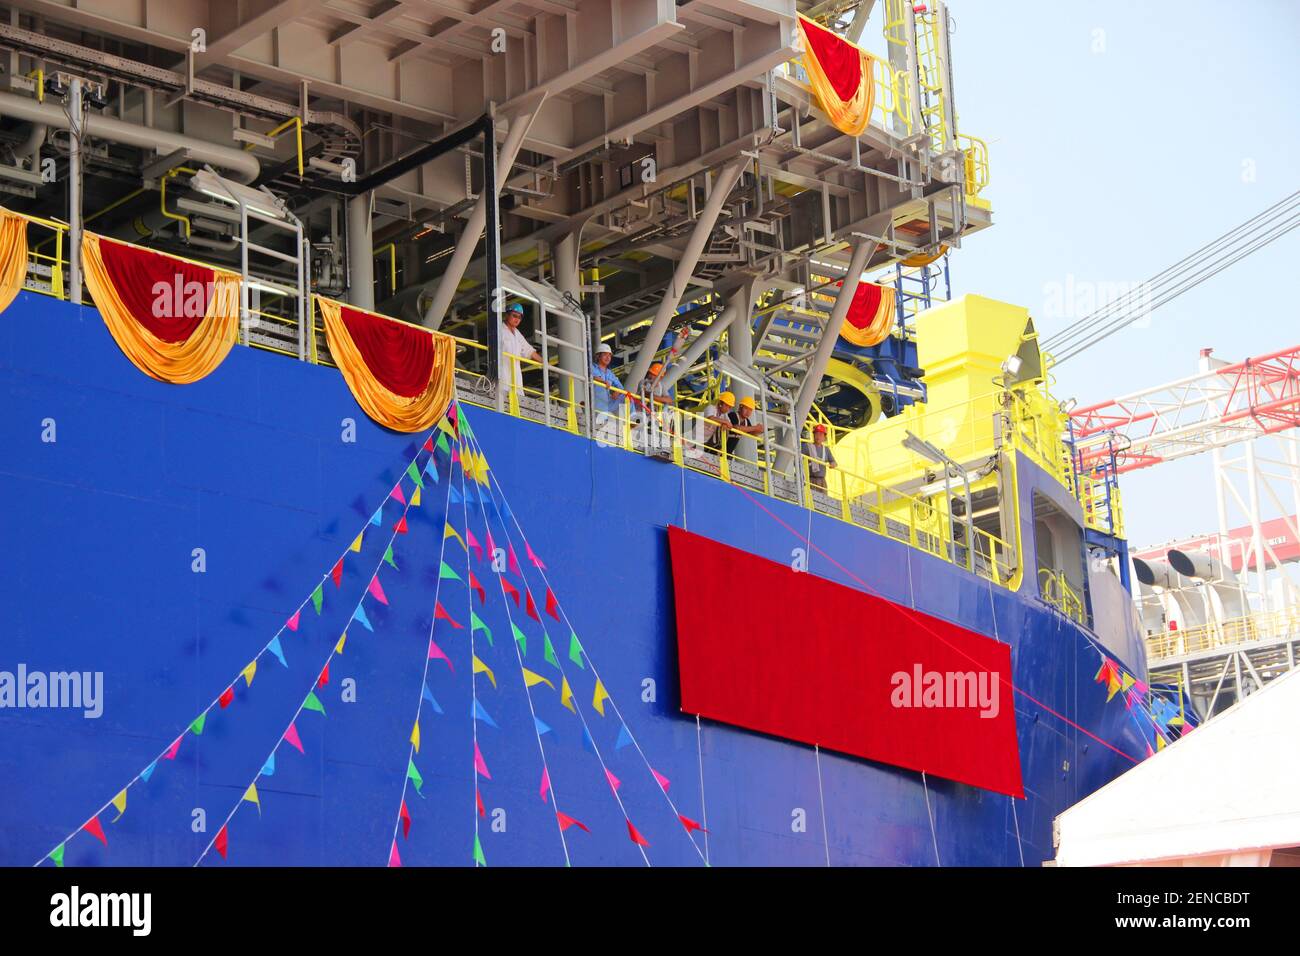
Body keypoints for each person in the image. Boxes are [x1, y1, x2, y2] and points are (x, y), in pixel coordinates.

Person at [500, 302, 541, 395]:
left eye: (519, 317)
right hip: (503, 375)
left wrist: (544, 363)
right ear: (507, 315)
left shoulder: (517, 334)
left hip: (515, 378)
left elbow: (529, 350)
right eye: (514, 316)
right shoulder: (499, 330)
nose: (517, 319)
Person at [590, 342, 624, 416]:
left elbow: (621, 387)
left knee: (627, 397)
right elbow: (593, 377)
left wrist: (617, 392)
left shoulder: (610, 373)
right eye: (605, 355)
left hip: (607, 403)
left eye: (609, 355)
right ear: (598, 356)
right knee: (601, 387)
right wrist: (603, 382)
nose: (608, 358)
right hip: (596, 403)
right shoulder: (592, 367)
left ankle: (632, 421)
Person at [802, 423, 838, 491]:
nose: (818, 436)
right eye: (816, 434)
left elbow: (834, 462)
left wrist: (833, 464)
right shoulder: (807, 447)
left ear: (824, 437)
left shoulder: (826, 450)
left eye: (821, 434)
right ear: (813, 435)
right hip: (810, 480)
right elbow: (798, 461)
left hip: (822, 482)